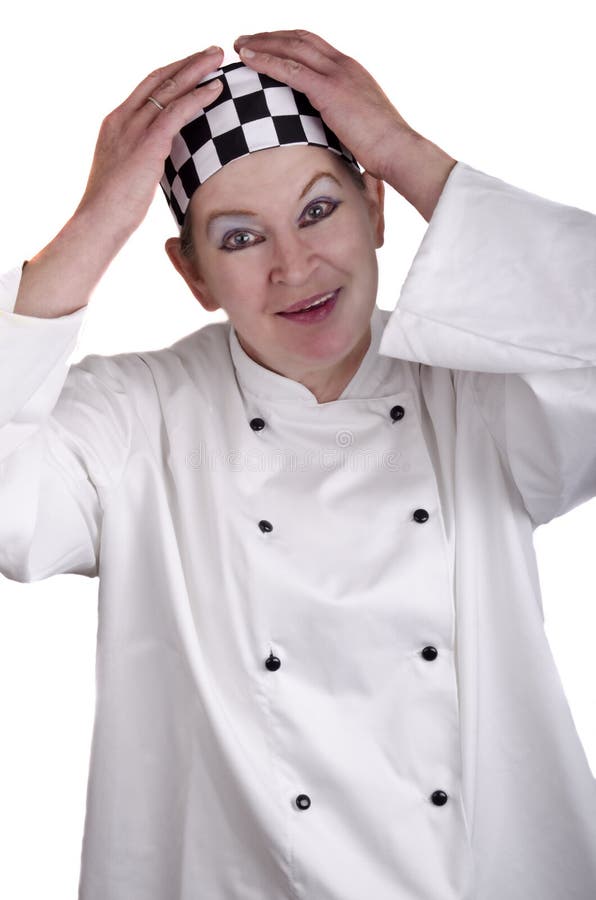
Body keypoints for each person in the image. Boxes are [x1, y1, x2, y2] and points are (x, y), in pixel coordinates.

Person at [1, 28, 595, 900]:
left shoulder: (482, 393)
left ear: (376, 210)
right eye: (240, 238)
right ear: (193, 274)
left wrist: (406, 154)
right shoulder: (137, 419)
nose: (295, 266)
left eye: (320, 211)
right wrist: (95, 225)